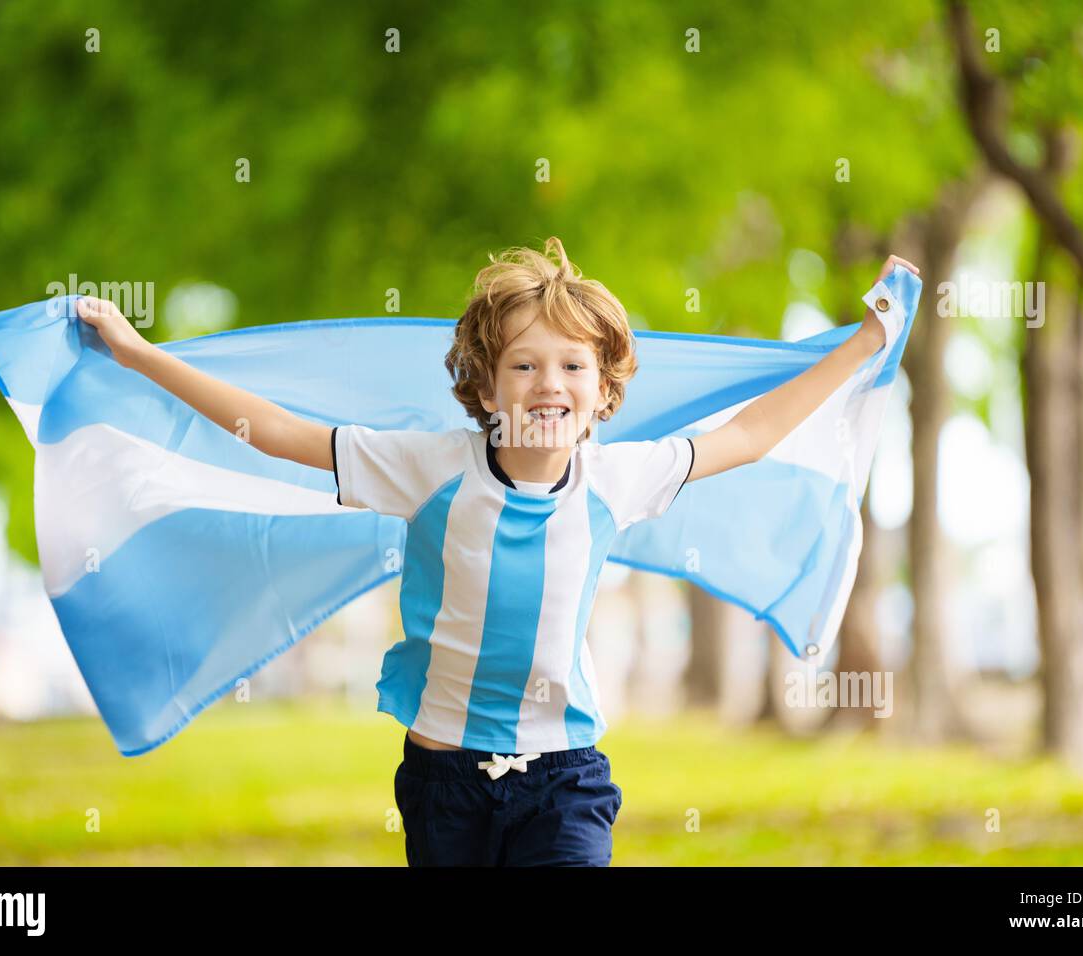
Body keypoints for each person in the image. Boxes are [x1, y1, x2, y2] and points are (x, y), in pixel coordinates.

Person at [74, 237, 918, 866]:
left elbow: (752, 430)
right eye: (523, 365)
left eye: (573, 367)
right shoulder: (427, 467)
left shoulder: (617, 478)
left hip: (566, 781)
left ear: (602, 395)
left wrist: (867, 342)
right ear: (484, 388)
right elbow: (279, 432)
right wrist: (141, 355)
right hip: (445, 783)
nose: (549, 383)